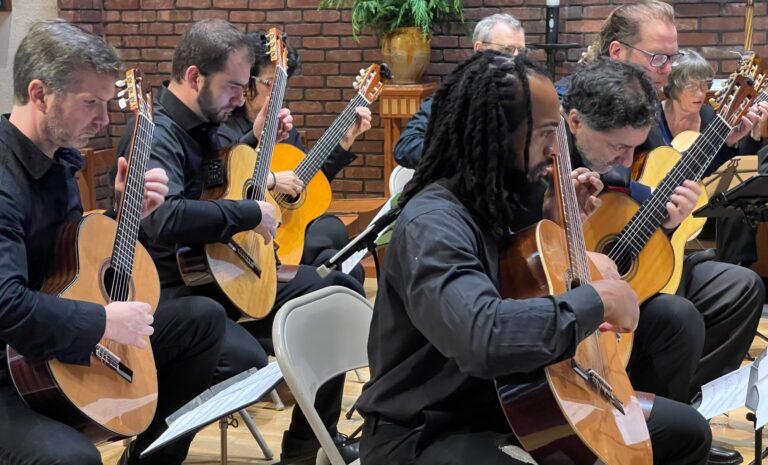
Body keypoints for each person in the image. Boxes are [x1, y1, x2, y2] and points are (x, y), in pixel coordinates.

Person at [357, 50, 711, 465]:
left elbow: (527, 288)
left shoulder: (507, 197)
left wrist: (555, 227)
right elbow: (483, 336)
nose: (556, 152)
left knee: (687, 432)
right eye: (546, 135)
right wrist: (599, 300)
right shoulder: (433, 222)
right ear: (499, 136)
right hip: (430, 425)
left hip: (514, 392)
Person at [116, 19, 361, 465]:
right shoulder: (156, 131)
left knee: (337, 291)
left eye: (245, 87)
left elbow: (217, 181)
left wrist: (254, 138)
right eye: (233, 87)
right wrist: (250, 212)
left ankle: (308, 445)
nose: (239, 98)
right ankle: (151, 450)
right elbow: (164, 219)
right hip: (177, 287)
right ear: (194, 77)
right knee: (241, 357)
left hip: (224, 272)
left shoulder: (212, 123)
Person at [0, 20, 227, 465]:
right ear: (40, 93)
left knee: (203, 320)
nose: (104, 121)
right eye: (91, 104)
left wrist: (124, 215)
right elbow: (5, 303)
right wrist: (101, 322)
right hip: (8, 364)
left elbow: (63, 259)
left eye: (106, 105)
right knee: (72, 458)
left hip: (48, 339)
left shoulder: (57, 157)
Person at [563, 55, 763, 465]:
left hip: (640, 256)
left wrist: (669, 220)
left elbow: (641, 189)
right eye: (659, 55)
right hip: (572, 279)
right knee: (677, 316)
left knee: (741, 286)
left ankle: (683, 415)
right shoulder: (555, 147)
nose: (626, 159)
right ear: (574, 122)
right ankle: (663, 425)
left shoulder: (638, 122)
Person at [217, 32, 372, 283]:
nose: (277, 92)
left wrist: (345, 140)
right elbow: (224, 181)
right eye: (270, 83)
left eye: (281, 85)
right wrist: (272, 179)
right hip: (247, 238)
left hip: (287, 229)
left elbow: (307, 185)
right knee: (333, 250)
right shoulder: (225, 129)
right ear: (248, 83)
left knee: (345, 257)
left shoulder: (282, 127)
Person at [658, 50, 768, 267]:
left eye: (705, 84)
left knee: (737, 205)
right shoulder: (653, 119)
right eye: (692, 85)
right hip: (663, 207)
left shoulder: (709, 117)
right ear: (672, 86)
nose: (702, 92)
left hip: (704, 206)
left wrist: (737, 141)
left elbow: (728, 172)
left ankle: (734, 268)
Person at [393, 13, 526, 169]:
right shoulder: (451, 97)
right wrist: (457, 154)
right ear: (480, 50)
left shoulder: (530, 97)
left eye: (521, 52)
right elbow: (406, 146)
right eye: (508, 50)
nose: (517, 59)